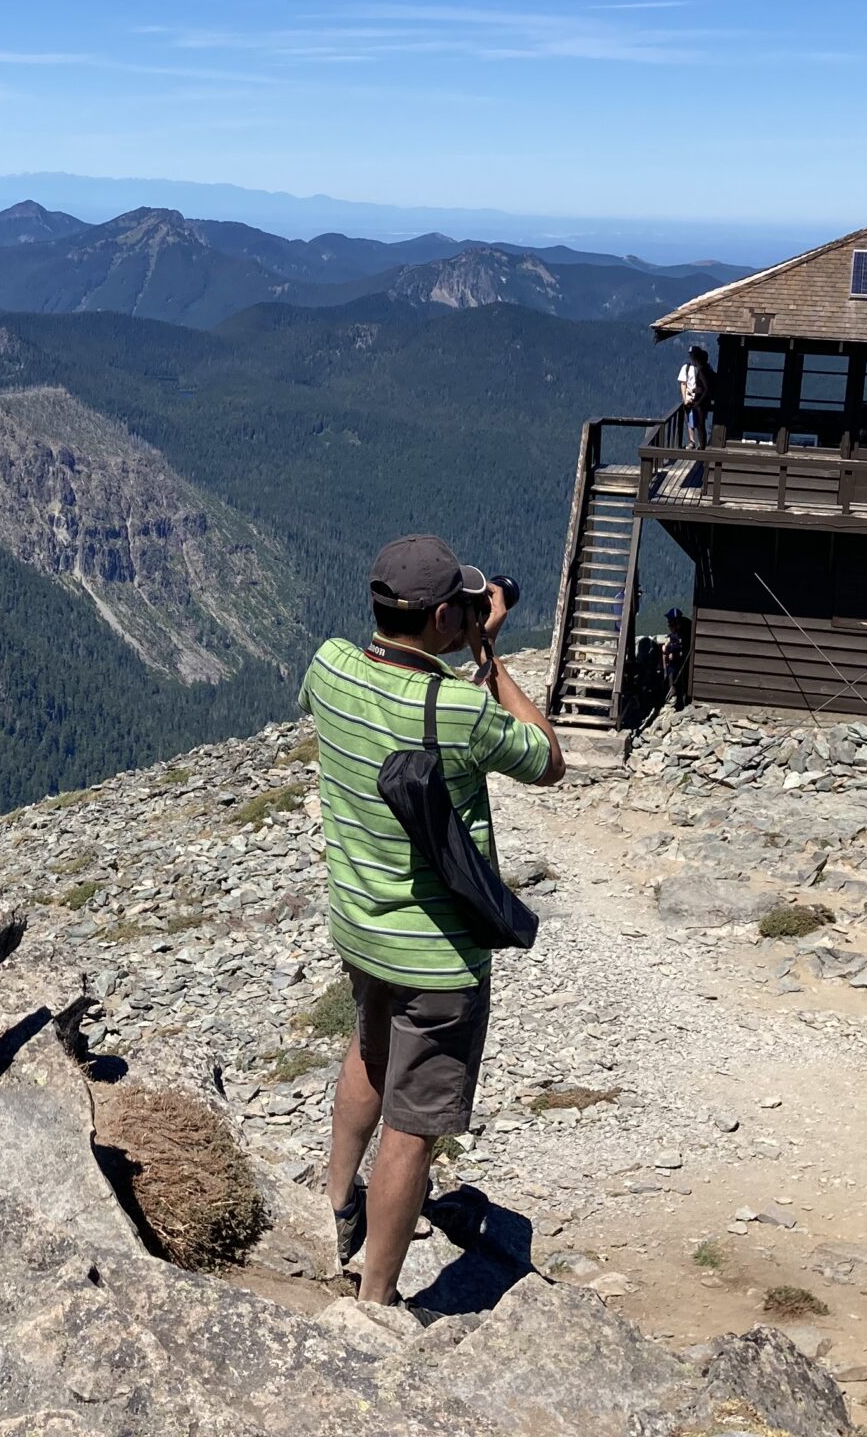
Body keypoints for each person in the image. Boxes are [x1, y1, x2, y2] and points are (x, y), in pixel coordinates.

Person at [299, 533, 565, 1308]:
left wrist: (460, 644)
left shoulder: (328, 665)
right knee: (413, 1125)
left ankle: (337, 1203)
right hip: (439, 959)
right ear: (449, 614)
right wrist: (492, 657)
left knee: (369, 1055)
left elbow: (379, 695)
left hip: (360, 927)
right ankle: (376, 1296)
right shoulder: (457, 709)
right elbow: (548, 759)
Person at [677, 344, 714, 448]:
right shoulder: (687, 367)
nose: (692, 357)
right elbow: (683, 384)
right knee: (690, 419)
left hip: (700, 397)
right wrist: (685, 398)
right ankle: (692, 441)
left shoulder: (702, 368)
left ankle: (699, 443)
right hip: (690, 396)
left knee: (699, 422)